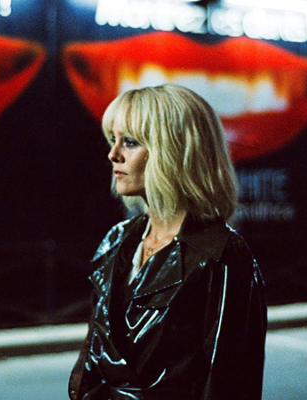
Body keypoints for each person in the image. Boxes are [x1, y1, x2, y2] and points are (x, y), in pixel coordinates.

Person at [68, 84, 267, 400]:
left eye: (130, 142)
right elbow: (93, 353)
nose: (113, 154)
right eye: (113, 139)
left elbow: (228, 382)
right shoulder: (117, 240)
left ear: (173, 151)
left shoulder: (221, 255)